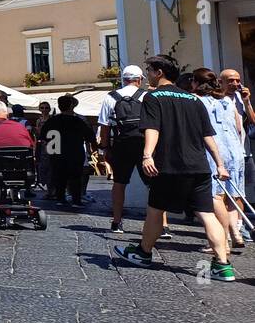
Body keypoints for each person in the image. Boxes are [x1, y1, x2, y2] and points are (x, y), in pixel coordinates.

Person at [114, 55, 236, 282]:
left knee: (156, 211)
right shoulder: (194, 100)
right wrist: (219, 164)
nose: (147, 74)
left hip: (169, 166)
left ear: (159, 72)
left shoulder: (153, 97)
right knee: (207, 215)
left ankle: (143, 252)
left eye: (149, 70)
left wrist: (147, 154)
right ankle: (223, 265)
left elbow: (152, 128)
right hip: (198, 166)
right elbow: (208, 135)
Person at [192, 68, 244, 249]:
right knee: (233, 194)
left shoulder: (197, 101)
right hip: (234, 150)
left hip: (214, 151)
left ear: (196, 83)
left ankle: (223, 240)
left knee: (216, 196)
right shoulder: (227, 100)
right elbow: (238, 127)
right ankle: (236, 232)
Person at [96, 65, 147, 234]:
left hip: (121, 145)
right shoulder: (146, 96)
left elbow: (104, 126)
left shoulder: (111, 97)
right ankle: (162, 225)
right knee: (153, 185)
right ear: (139, 79)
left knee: (119, 183)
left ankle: (117, 222)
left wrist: (104, 148)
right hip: (143, 145)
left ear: (123, 80)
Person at [40, 95, 94, 207]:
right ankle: (76, 200)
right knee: (75, 177)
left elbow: (43, 137)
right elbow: (90, 137)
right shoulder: (78, 121)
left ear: (59, 106)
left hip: (57, 152)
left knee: (59, 177)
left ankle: (60, 199)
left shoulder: (52, 121)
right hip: (74, 153)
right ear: (71, 105)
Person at [218, 69, 251, 248]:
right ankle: (228, 231)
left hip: (241, 151)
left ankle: (238, 228)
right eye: (230, 80)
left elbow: (252, 120)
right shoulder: (217, 100)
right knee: (222, 194)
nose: (235, 84)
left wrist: (247, 102)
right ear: (221, 81)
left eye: (237, 80)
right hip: (224, 153)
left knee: (239, 192)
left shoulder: (239, 98)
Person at [35, 100, 54, 194]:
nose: (44, 110)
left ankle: (51, 191)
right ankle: (48, 189)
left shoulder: (52, 119)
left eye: (46, 108)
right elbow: (38, 134)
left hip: (52, 145)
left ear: (49, 109)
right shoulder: (38, 120)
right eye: (42, 108)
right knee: (43, 168)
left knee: (51, 168)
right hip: (42, 145)